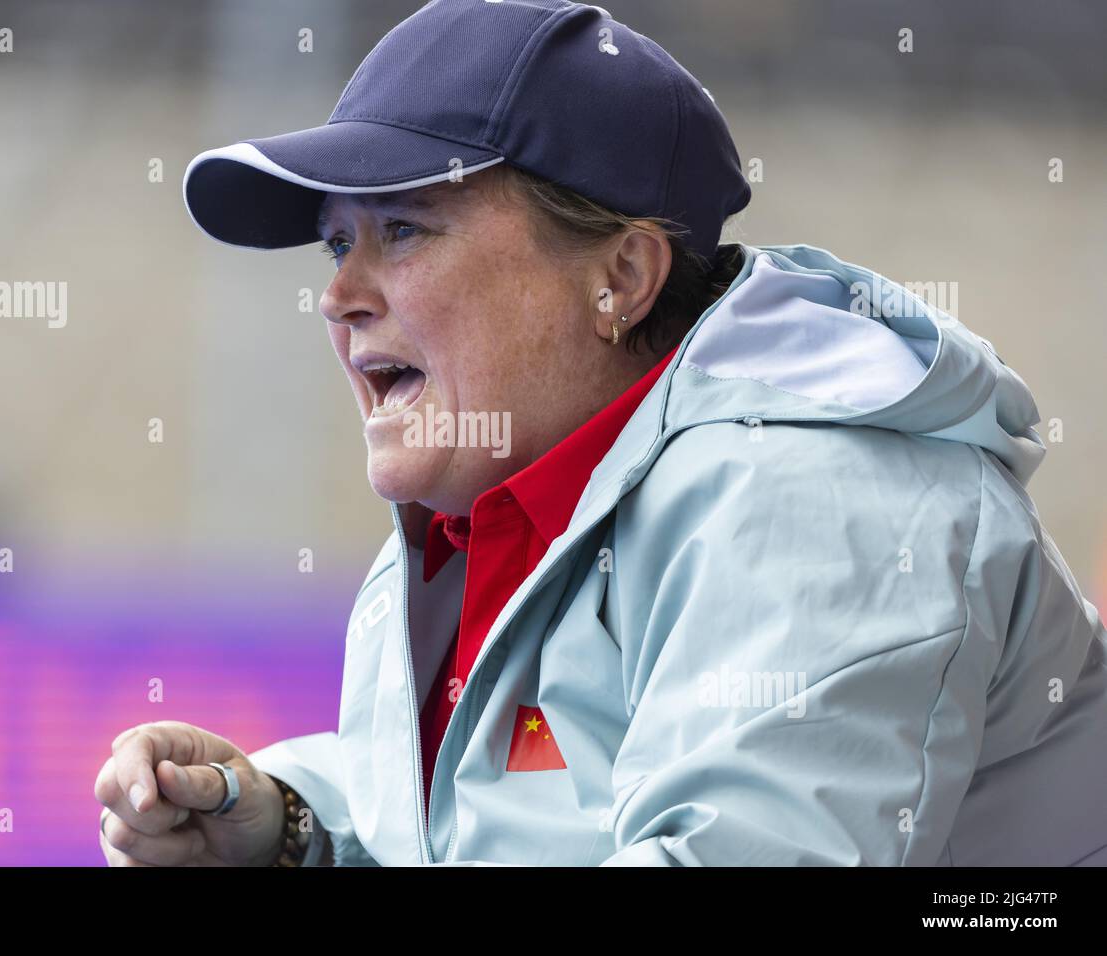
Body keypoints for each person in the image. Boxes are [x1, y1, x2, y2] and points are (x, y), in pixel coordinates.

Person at [94, 0, 1107, 866]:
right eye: (335, 241)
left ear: (619, 277)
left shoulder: (813, 493)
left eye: (401, 228)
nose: (336, 297)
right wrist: (299, 825)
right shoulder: (485, 513)